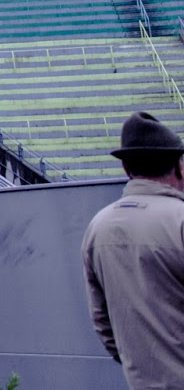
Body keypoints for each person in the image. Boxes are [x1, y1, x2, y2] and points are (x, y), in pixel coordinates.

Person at [83, 111, 184, 389]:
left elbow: (102, 322)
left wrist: (140, 363)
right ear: (179, 166)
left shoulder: (98, 226)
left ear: (126, 168)